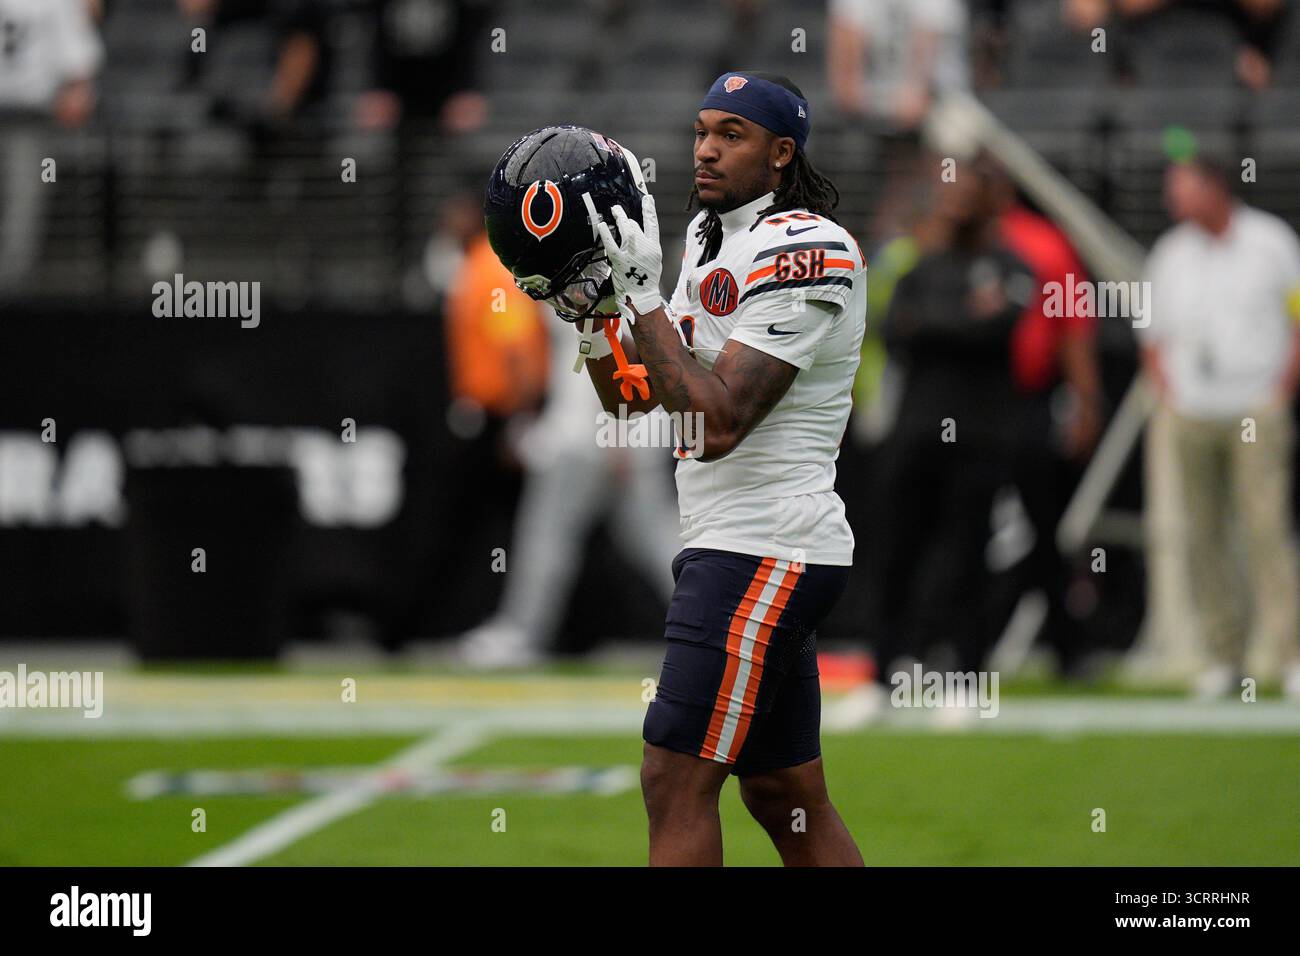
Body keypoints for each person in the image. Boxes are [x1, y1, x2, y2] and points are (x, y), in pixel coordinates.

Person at [584, 72, 867, 866]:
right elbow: (637, 397)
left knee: (673, 776)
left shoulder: (808, 248)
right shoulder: (712, 238)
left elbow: (716, 423)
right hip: (742, 543)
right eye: (702, 130)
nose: (705, 148)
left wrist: (642, 304)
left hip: (766, 544)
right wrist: (592, 312)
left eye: (731, 134)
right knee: (785, 795)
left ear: (782, 153)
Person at [1139, 152, 1300, 699]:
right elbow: (1152, 338)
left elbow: (1297, 317)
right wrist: (1173, 396)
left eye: (1181, 186)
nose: (1171, 198)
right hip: (1193, 412)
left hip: (1257, 405)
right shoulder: (1170, 253)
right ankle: (1223, 656)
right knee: (1202, 534)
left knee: (1265, 528)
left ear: (1214, 187)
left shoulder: (1271, 241)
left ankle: (1290, 654)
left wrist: (1280, 390)